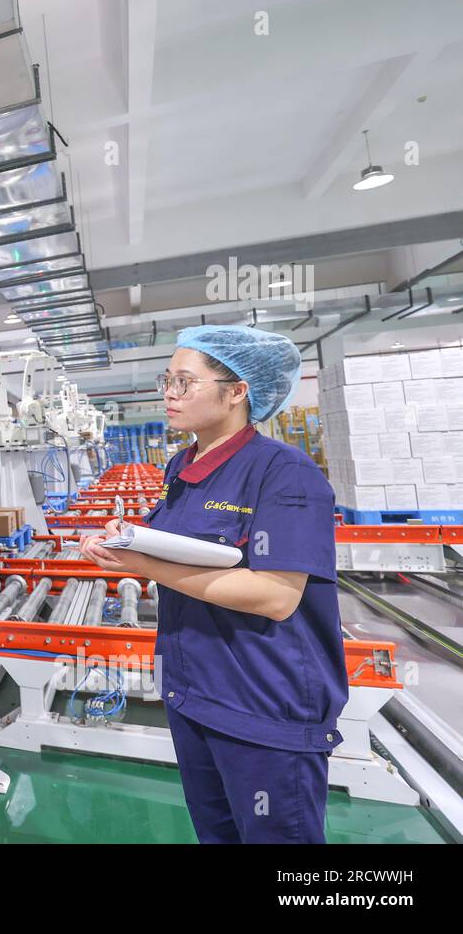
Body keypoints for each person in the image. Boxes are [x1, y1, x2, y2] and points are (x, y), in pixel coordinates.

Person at [80, 325, 345, 844]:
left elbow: (274, 596)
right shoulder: (184, 465)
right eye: (167, 380)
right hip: (193, 693)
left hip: (262, 706)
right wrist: (131, 537)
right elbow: (181, 545)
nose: (169, 394)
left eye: (185, 382)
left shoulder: (284, 473)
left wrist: (139, 564)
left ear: (238, 390)